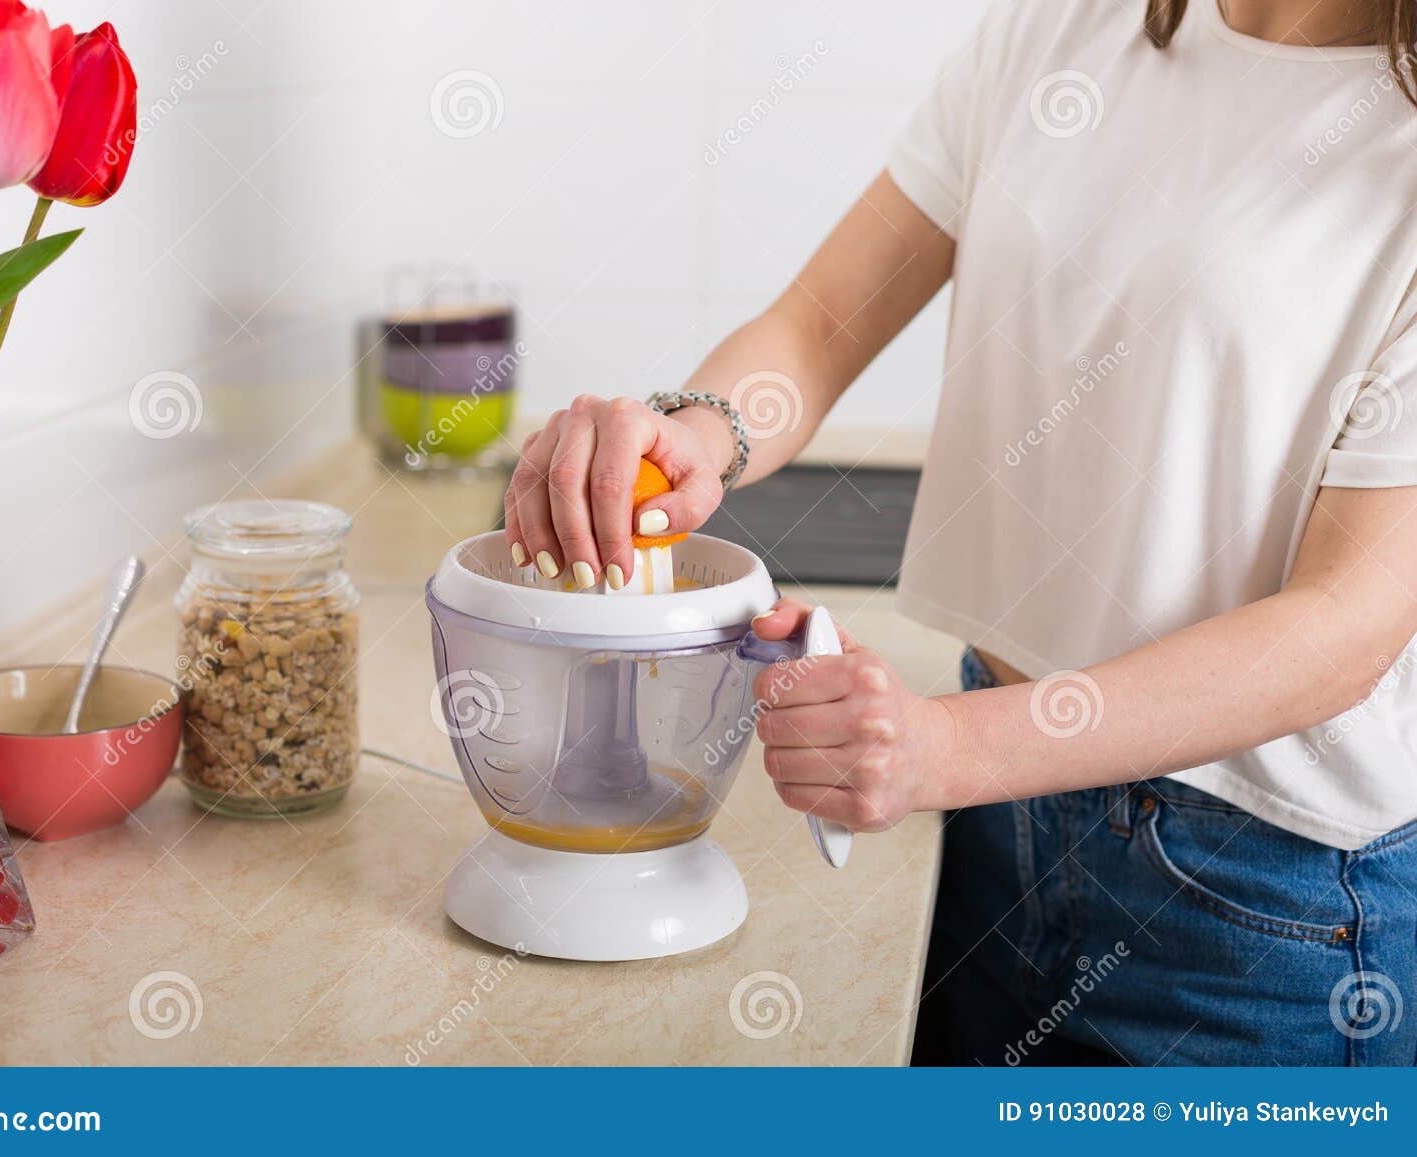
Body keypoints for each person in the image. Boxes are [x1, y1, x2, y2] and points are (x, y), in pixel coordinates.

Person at [503, 0, 1417, 1065]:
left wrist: (938, 747)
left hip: (1259, 909)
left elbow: (1343, 625)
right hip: (989, 828)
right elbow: (821, 320)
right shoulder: (1066, 30)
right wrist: (697, 429)